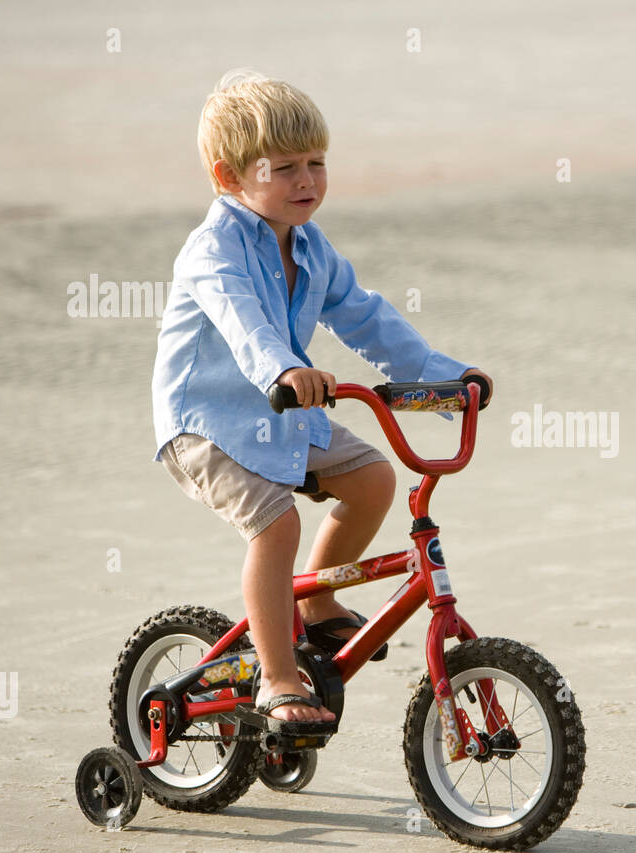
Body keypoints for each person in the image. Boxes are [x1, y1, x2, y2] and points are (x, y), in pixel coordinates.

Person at [151, 70, 491, 730]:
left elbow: (367, 318)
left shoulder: (310, 246)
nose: (306, 181)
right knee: (276, 524)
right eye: (283, 168)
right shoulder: (211, 252)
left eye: (317, 163)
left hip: (280, 415)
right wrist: (285, 366)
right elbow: (241, 320)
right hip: (206, 423)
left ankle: (315, 605)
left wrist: (446, 383)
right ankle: (277, 679)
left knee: (372, 479)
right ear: (229, 177)